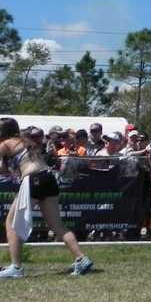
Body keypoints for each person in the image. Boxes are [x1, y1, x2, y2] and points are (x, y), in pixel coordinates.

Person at [0, 117, 93, 277]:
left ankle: (16, 268)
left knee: (11, 222)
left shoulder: (5, 144)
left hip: (33, 179)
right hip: (49, 178)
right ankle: (81, 258)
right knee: (57, 225)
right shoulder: (27, 142)